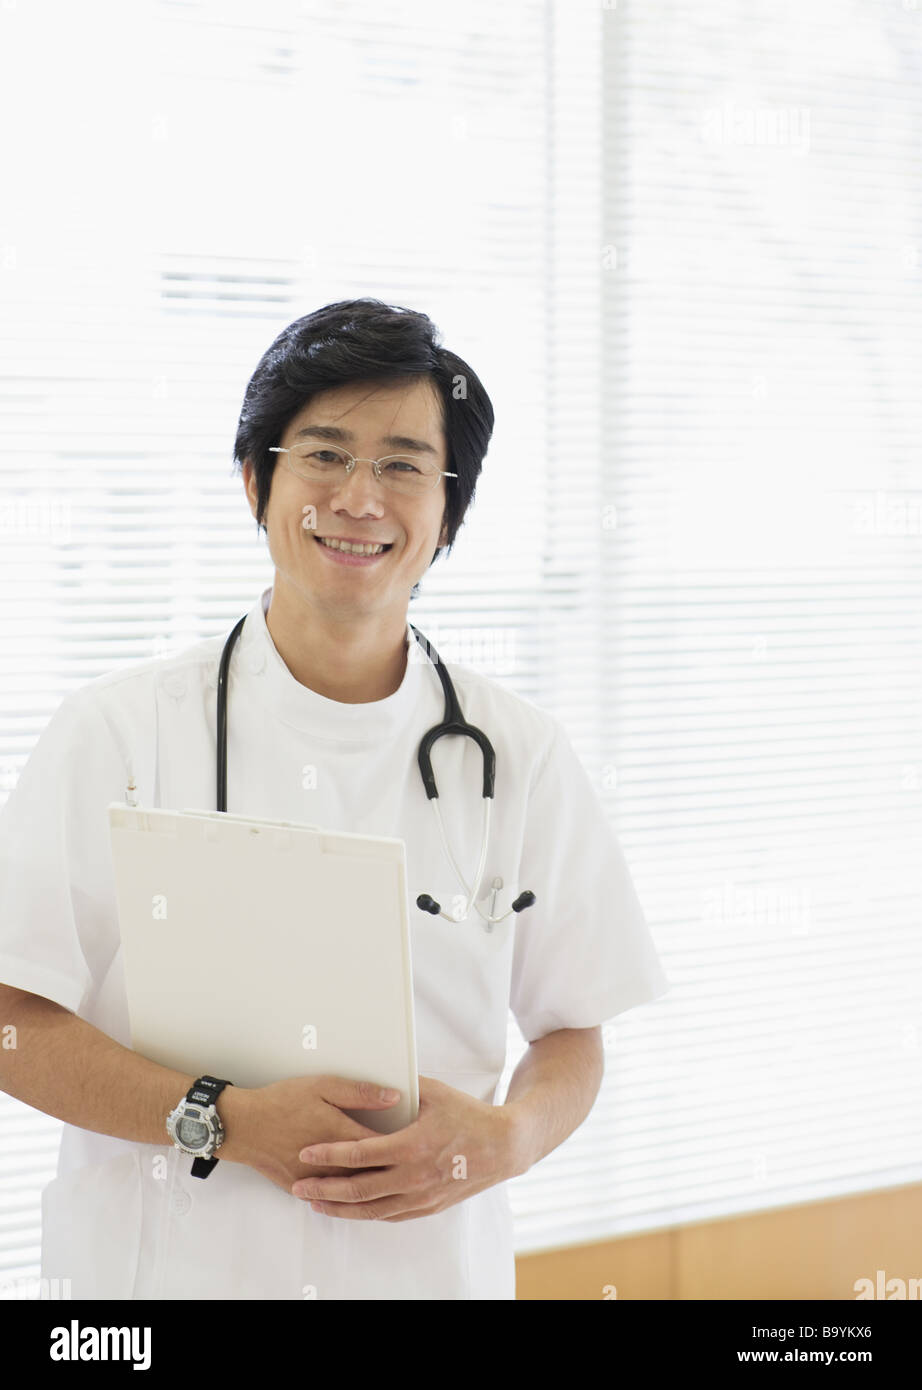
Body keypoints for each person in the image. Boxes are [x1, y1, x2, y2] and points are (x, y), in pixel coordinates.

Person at [0, 298, 668, 1300]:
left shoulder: (516, 756)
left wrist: (508, 1137)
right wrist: (219, 1117)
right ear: (255, 478)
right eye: (323, 454)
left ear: (449, 510)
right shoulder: (119, 732)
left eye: (403, 463)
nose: (360, 497)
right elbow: (13, 1020)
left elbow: (572, 1028)